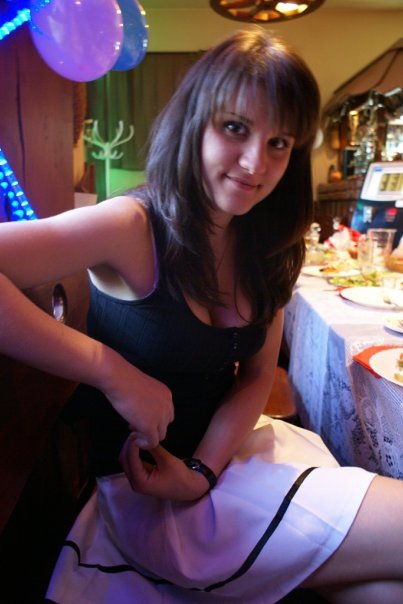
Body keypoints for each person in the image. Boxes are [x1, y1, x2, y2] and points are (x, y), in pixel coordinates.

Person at [1, 28, 403, 604]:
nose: (255, 163)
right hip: (151, 501)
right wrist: (110, 371)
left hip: (230, 463)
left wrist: (202, 472)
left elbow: (256, 376)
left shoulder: (267, 243)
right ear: (194, 123)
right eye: (235, 128)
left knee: (387, 592)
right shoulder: (130, 227)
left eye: (279, 142)